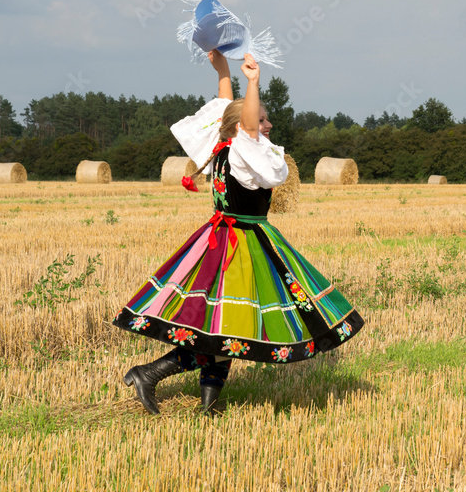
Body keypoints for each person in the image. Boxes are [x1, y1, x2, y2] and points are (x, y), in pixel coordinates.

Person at [112, 49, 364, 415]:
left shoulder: (221, 147)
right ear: (243, 127)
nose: (268, 126)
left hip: (218, 240)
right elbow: (242, 123)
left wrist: (224, 72)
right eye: (262, 120)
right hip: (239, 245)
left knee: (227, 323)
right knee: (227, 328)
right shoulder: (245, 149)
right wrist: (253, 81)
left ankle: (209, 403)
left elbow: (225, 109)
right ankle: (150, 373)